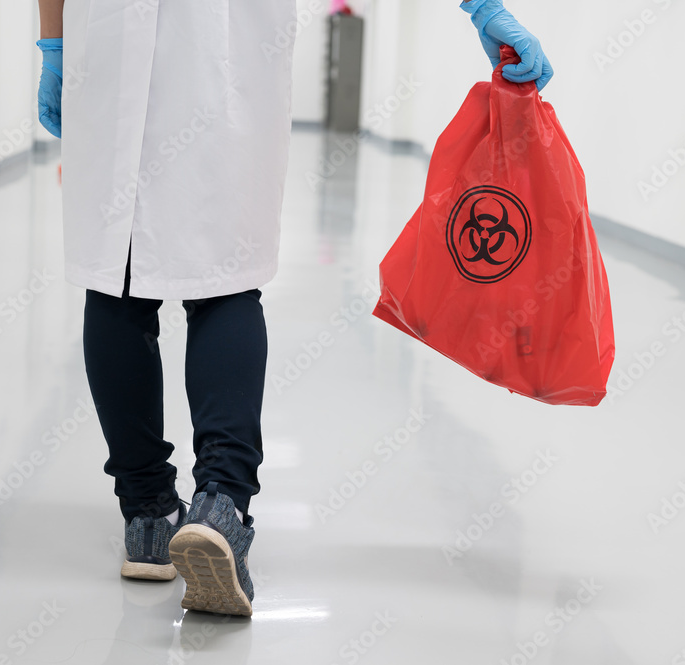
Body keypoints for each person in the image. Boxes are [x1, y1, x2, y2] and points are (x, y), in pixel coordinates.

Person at [35, 0, 551, 618]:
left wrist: (54, 46)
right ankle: (221, 508)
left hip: (110, 35)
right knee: (225, 282)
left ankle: (147, 516)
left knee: (115, 281)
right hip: (227, 46)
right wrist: (483, 8)